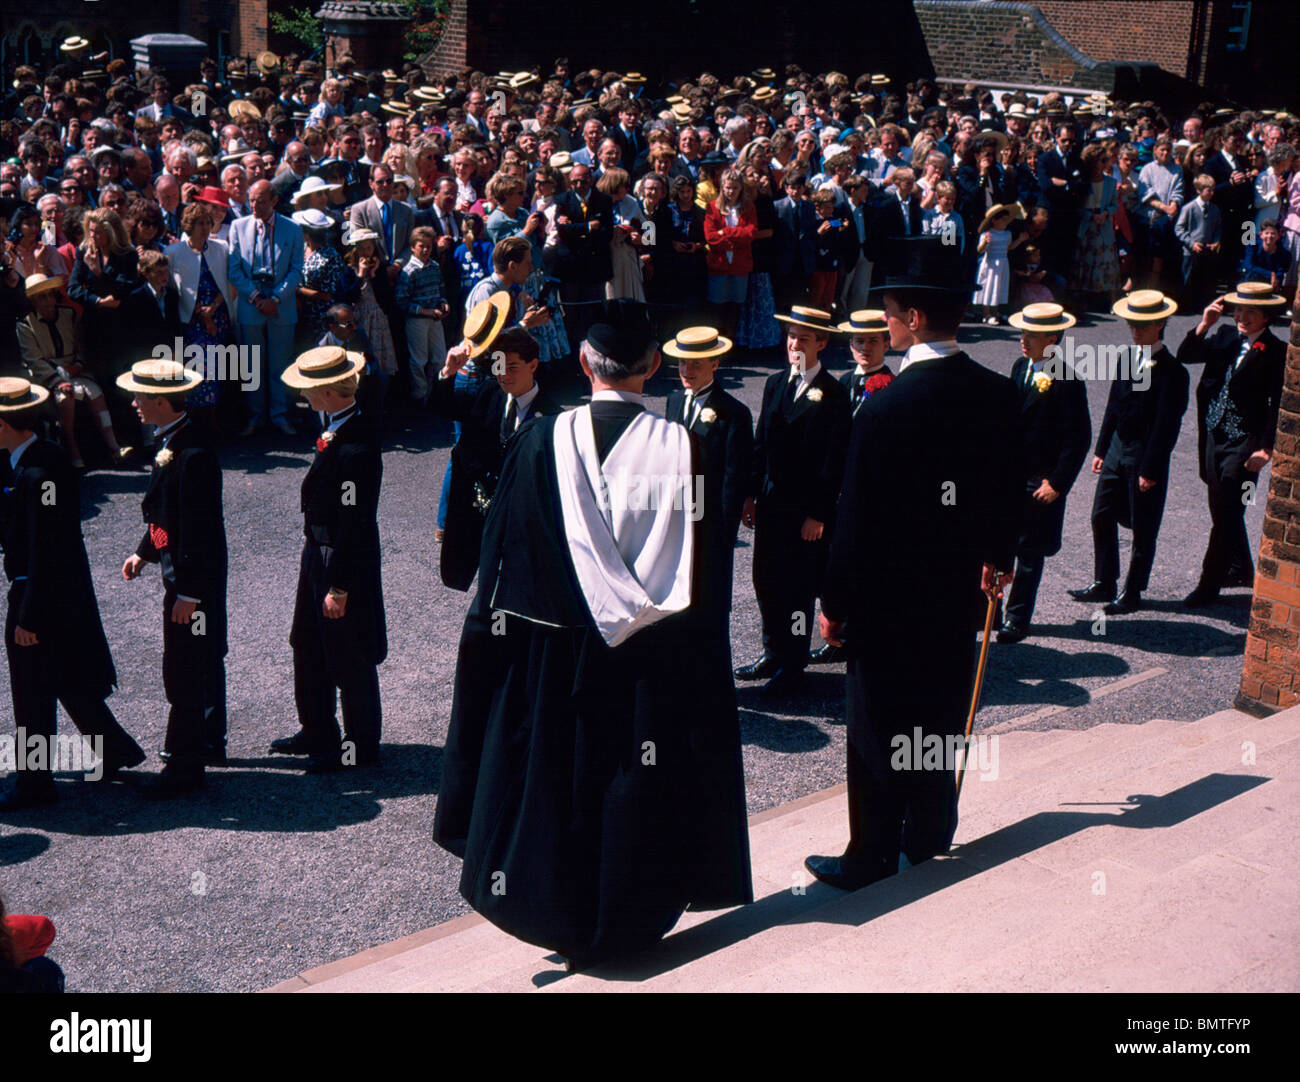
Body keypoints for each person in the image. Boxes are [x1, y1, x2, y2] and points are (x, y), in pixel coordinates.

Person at [432, 302, 752, 968]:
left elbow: (504, 556)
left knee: (558, 784)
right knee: (634, 785)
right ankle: (631, 920)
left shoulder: (543, 440)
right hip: (651, 657)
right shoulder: (685, 446)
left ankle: (560, 918)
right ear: (655, 367)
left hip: (555, 654)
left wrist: (494, 650)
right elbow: (706, 557)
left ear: (582, 363)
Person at [807, 235, 1022, 891]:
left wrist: (834, 605)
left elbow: (855, 522)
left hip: (886, 600)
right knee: (939, 713)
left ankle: (871, 851)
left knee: (876, 726)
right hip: (957, 591)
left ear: (917, 319)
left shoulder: (884, 408)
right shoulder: (995, 392)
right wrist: (998, 557)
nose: (886, 325)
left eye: (892, 314)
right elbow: (1005, 487)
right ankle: (928, 836)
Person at [0, 378, 145, 812]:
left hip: (39, 592)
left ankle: (34, 783)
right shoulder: (28, 458)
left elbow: (46, 549)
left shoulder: (42, 472)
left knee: (32, 691)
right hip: (51, 591)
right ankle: (115, 750)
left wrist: (29, 615)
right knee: (63, 675)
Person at [266, 347, 386, 773]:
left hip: (340, 560)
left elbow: (354, 523)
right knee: (308, 643)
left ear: (331, 391)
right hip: (317, 553)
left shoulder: (356, 446)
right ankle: (317, 728)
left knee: (349, 654)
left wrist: (340, 587)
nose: (303, 393)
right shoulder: (337, 425)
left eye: (310, 387)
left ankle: (359, 746)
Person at [118, 360, 228, 797]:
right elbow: (164, 517)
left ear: (162, 401)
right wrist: (145, 552)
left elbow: (197, 531)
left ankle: (186, 769)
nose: (134, 404)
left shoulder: (193, 455)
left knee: (186, 668)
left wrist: (189, 594)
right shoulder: (174, 441)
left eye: (141, 397)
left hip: (192, 587)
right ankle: (205, 743)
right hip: (185, 580)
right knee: (199, 661)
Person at [735, 305, 851, 696]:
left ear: (821, 343)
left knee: (798, 591)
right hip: (770, 506)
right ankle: (773, 652)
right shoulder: (774, 383)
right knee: (766, 584)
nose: (794, 343)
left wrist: (818, 513)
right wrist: (750, 494)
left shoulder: (834, 394)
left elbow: (834, 460)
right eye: (790, 336)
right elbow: (761, 442)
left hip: (806, 514)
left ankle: (794, 664)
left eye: (803, 337)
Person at [1069, 290, 1190, 614]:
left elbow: (1167, 426)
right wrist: (1101, 447)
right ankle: (1105, 581)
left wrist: (1151, 468)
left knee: (1143, 525)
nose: (1136, 330)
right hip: (1117, 449)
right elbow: (1113, 405)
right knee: (1101, 515)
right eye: (1132, 323)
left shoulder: (1174, 372)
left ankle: (1133, 590)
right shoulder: (1126, 356)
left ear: (1160, 324)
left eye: (1144, 324)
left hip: (1145, 454)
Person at [430, 307, 560, 590]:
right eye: (499, 366)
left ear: (533, 365)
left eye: (512, 367)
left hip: (522, 526)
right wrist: (448, 371)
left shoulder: (551, 418)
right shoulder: (490, 392)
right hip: (483, 517)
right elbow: (441, 407)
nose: (504, 376)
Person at [1179, 283, 1287, 606]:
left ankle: (1208, 585)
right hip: (1214, 436)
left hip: (1245, 443)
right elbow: (1186, 355)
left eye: (1251, 312)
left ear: (1266, 317)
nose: (1242, 316)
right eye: (1239, 309)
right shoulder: (1225, 335)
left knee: (1228, 510)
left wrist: (1266, 449)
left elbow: (1277, 403)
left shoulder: (1275, 352)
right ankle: (1239, 567)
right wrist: (1205, 323)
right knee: (1222, 509)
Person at [999, 303, 1091, 643]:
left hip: (1041, 481)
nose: (1023, 340)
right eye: (1023, 333)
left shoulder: (1067, 379)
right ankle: (991, 611)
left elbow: (1077, 438)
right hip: (1012, 476)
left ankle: (1017, 618)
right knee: (1000, 545)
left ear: (1052, 338)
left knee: (1029, 552)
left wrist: (1058, 483)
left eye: (1031, 335)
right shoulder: (1019, 367)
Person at [662, 325, 753, 631]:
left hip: (710, 520)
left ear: (715, 364)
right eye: (683, 363)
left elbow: (733, 477)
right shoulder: (674, 401)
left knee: (709, 601)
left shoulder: (733, 413)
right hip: (677, 516)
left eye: (696, 364)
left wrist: (724, 535)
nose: (687, 370)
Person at [16, 273, 131, 467]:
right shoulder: (25, 324)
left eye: (50, 295)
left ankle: (113, 446)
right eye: (41, 297)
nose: (48, 300)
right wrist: (58, 380)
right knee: (66, 397)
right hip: (47, 374)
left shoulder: (68, 314)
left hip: (76, 369)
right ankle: (71, 447)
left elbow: (80, 346)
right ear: (33, 300)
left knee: (96, 394)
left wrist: (78, 365)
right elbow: (33, 360)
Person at [227, 179, 305, 436]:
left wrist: (277, 299)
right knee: (252, 365)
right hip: (252, 304)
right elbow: (234, 269)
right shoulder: (238, 227)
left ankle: (280, 416)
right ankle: (255, 416)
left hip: (281, 305)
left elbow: (296, 270)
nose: (254, 205)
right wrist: (257, 297)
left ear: (273, 201)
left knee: (279, 364)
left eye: (260, 200)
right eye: (251, 200)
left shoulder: (292, 228)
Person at [1175, 174, 1221, 313]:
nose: (1212, 193)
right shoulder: (1188, 208)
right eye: (1208, 190)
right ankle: (1184, 306)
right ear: (1199, 190)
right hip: (1191, 251)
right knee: (1187, 279)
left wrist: (1216, 241)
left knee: (1204, 279)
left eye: (1213, 190)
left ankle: (1200, 305)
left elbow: (1218, 227)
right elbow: (1179, 228)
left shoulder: (1214, 209)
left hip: (1206, 250)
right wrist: (1191, 243)